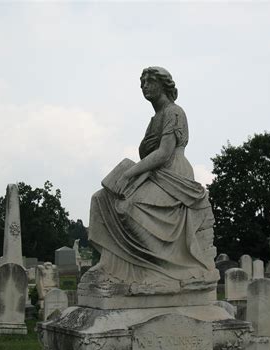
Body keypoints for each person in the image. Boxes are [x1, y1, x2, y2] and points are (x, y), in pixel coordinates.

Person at [82, 67, 218, 295]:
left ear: (163, 85)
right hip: (153, 173)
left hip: (174, 176)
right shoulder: (155, 118)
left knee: (129, 206)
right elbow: (146, 152)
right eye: (142, 82)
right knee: (100, 198)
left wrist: (129, 173)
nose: (144, 85)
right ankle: (111, 264)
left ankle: (160, 268)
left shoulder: (174, 112)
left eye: (149, 81)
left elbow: (165, 153)